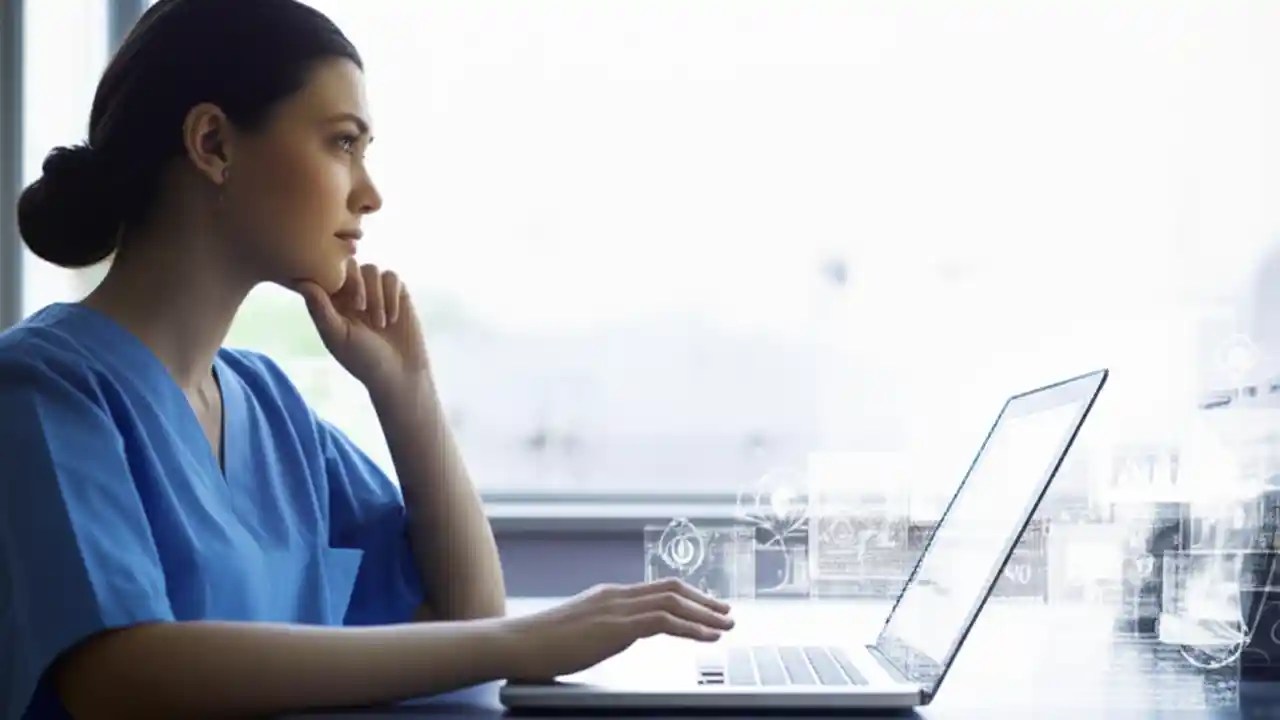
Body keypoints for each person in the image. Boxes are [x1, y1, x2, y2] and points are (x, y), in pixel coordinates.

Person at [0, 1, 734, 718]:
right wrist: (527, 639)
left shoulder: (270, 405)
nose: (370, 194)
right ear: (215, 144)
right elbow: (117, 676)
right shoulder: (42, 387)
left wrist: (407, 392)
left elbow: (464, 614)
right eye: (343, 143)